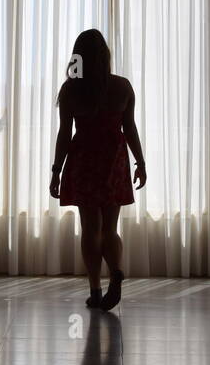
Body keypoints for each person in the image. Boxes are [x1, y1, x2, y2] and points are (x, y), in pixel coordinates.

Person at [49, 28, 147, 311]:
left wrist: (56, 170)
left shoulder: (71, 90)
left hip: (84, 160)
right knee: (110, 228)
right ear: (105, 56)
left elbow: (65, 134)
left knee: (90, 229)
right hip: (114, 160)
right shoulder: (122, 87)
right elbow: (129, 128)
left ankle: (95, 288)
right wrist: (140, 162)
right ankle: (115, 268)